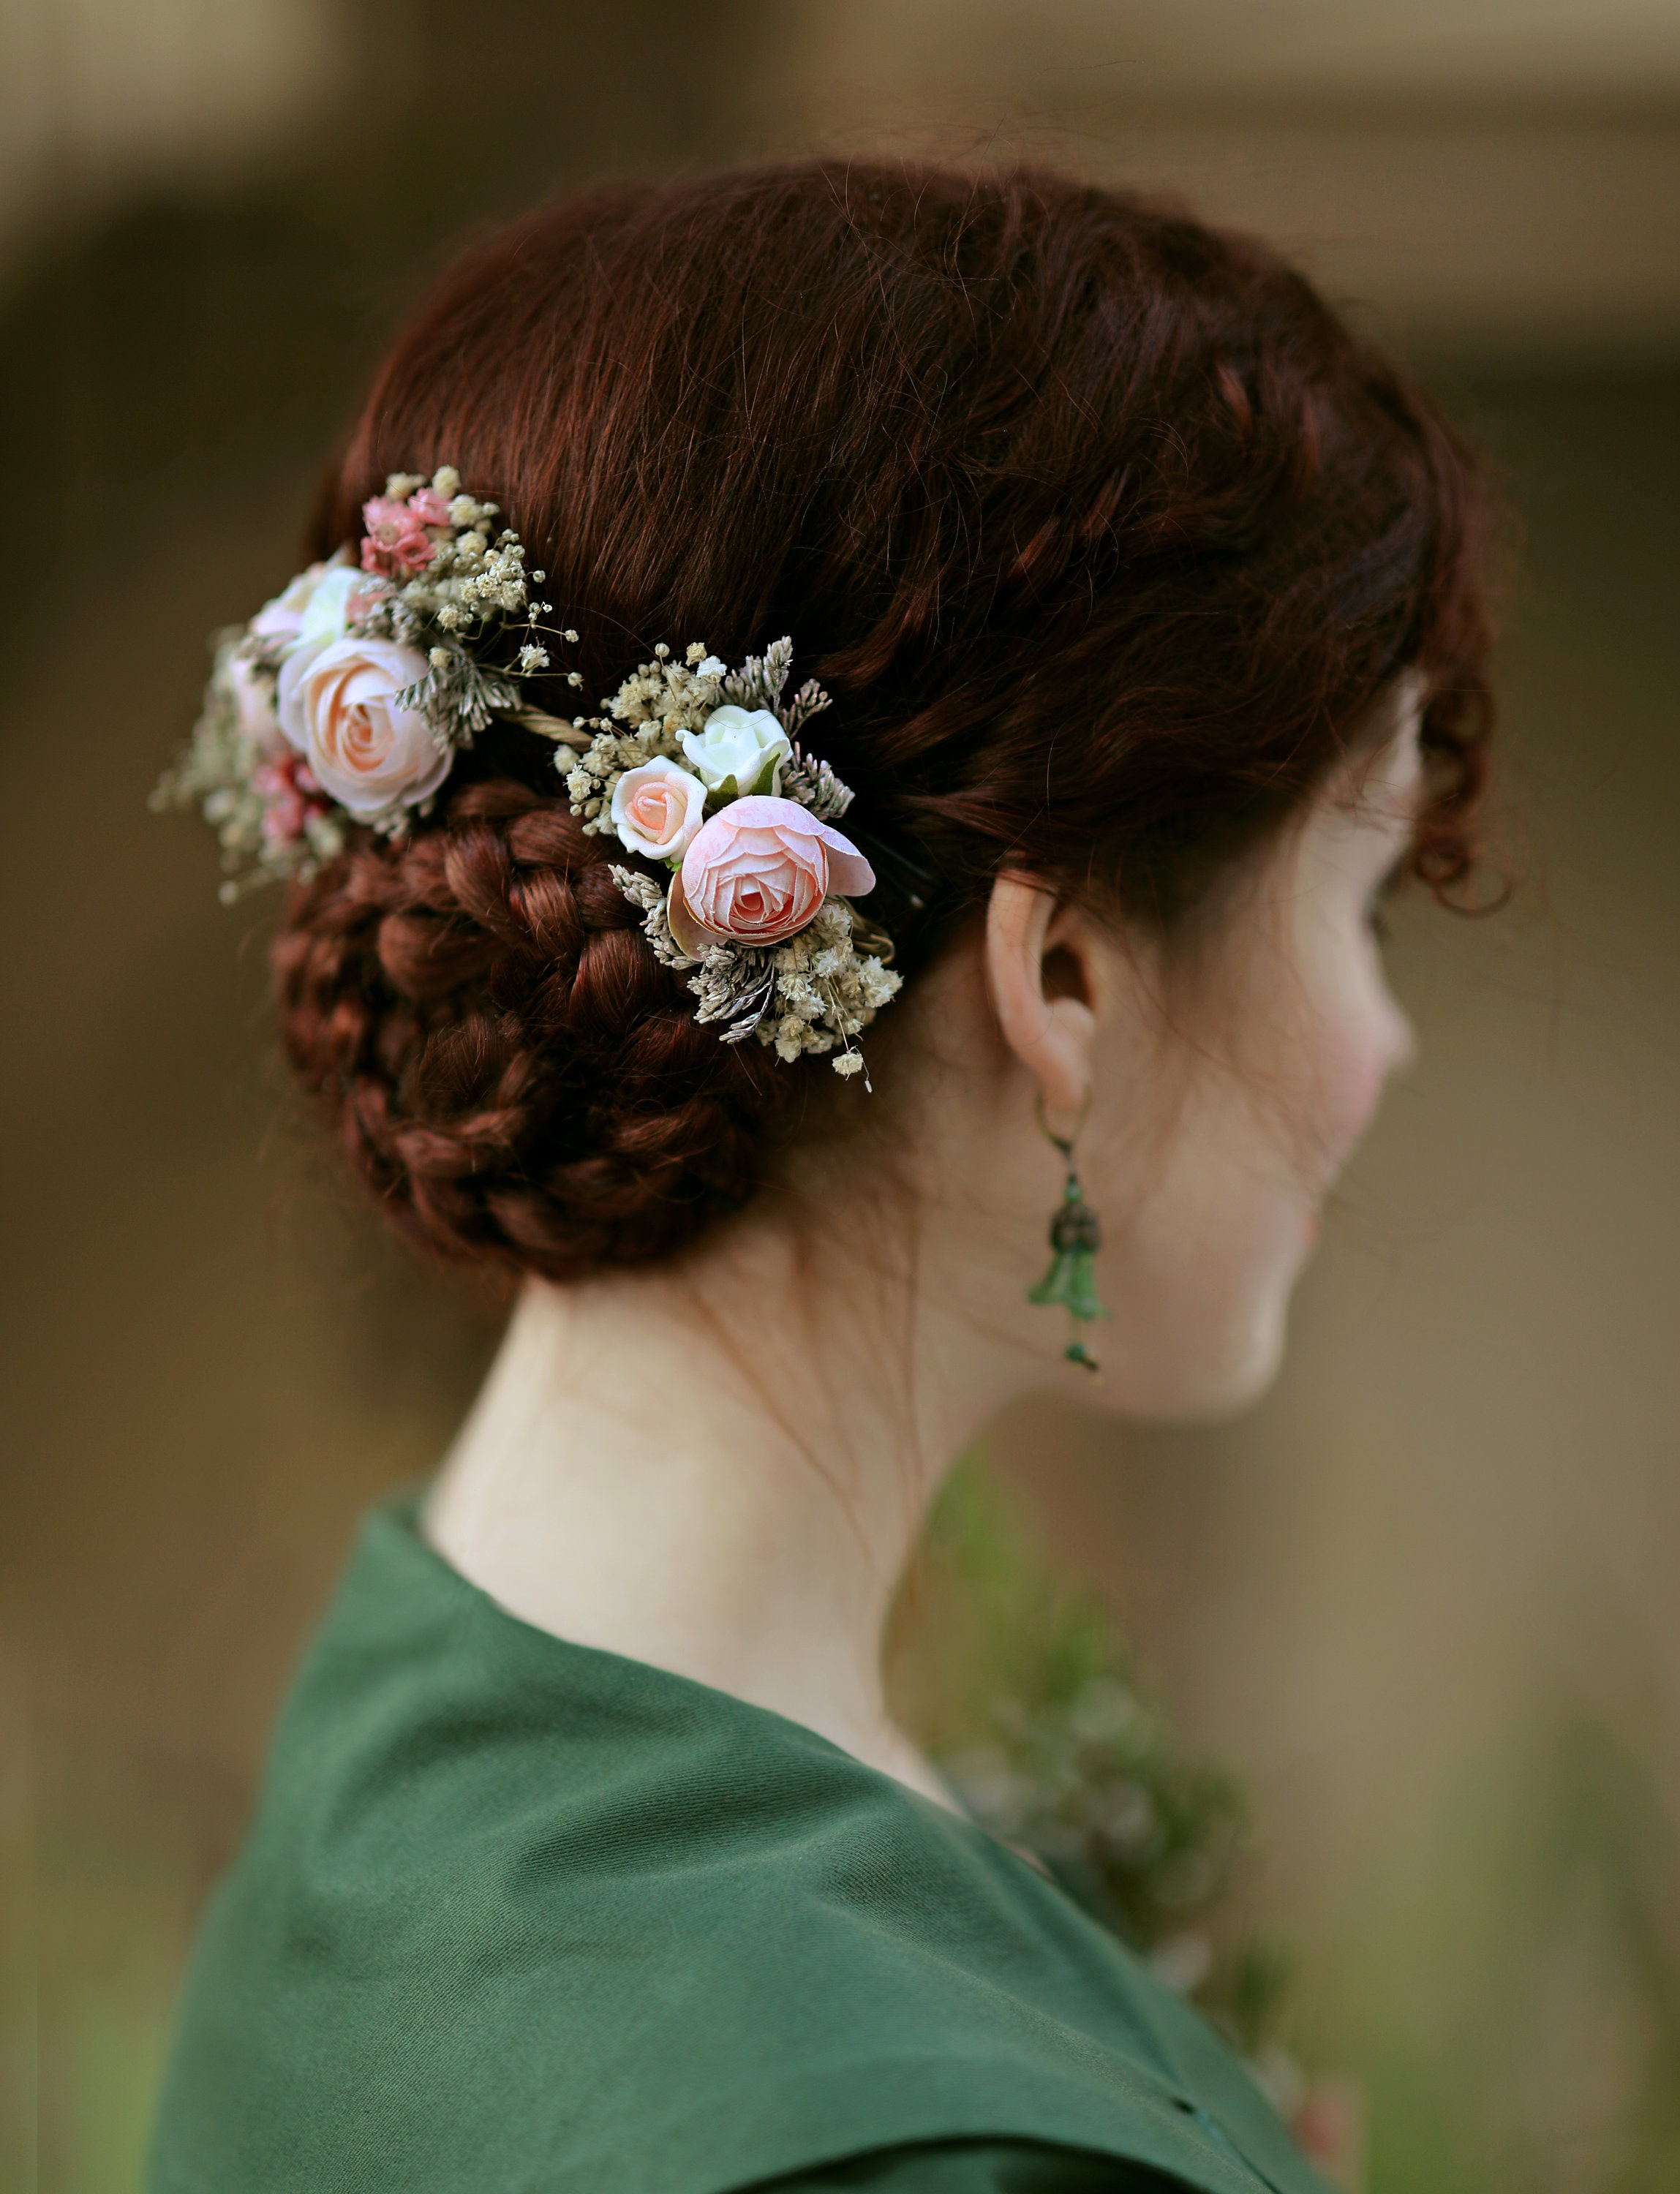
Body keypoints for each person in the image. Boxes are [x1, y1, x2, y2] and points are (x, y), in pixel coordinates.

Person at [148, 162, 1493, 2193]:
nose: (1381, 1046)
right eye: (1361, 900)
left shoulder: (438, 1701)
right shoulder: (907, 2145)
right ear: (1062, 974)